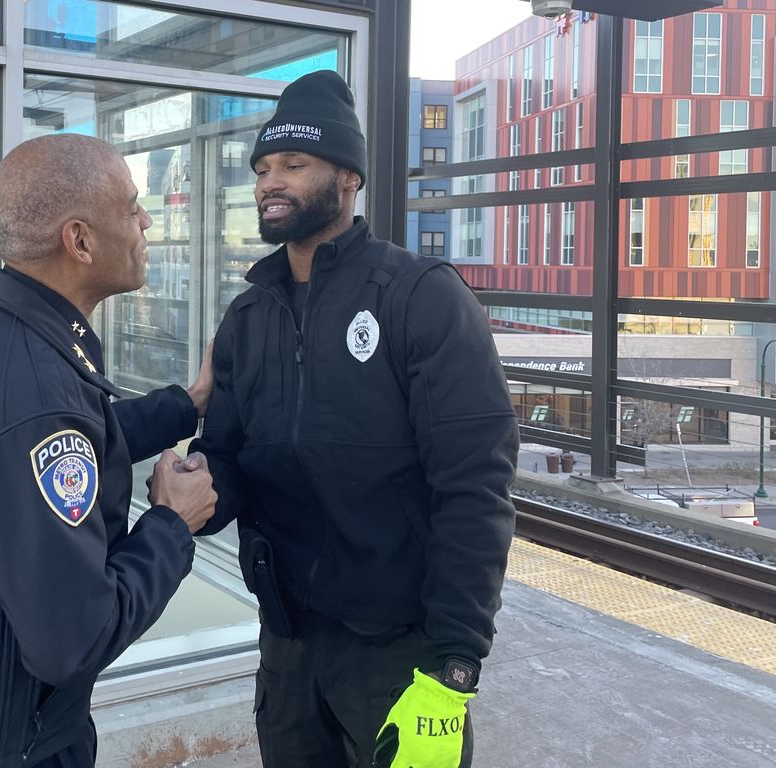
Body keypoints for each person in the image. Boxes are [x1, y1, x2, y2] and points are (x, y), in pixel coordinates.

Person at [190, 70, 519, 768]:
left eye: (292, 165)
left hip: (402, 652)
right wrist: (193, 488)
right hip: (288, 645)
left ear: (348, 178)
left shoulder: (419, 298)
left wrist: (456, 663)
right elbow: (230, 456)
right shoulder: (249, 316)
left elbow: (475, 485)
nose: (269, 182)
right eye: (262, 168)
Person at [0, 133, 218, 768]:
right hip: (12, 747)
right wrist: (172, 524)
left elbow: (72, 441)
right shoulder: (31, 388)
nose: (146, 221)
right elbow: (73, 636)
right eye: (131, 208)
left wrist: (187, 405)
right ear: (80, 240)